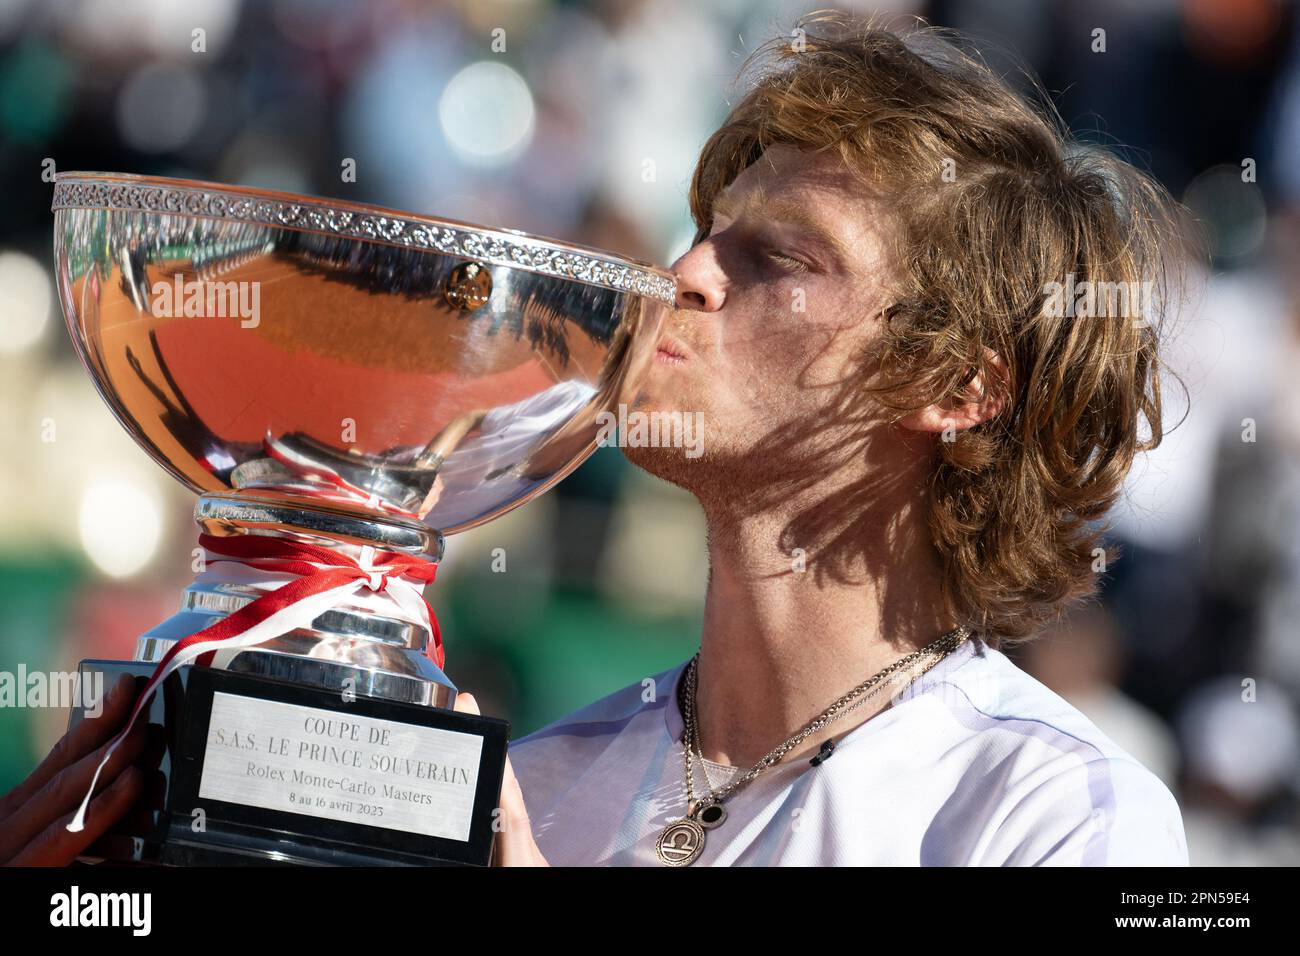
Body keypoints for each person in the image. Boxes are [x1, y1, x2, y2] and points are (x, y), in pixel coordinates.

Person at [1, 16, 1191, 867]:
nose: (679, 277)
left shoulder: (1056, 816)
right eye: (702, 233)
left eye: (774, 256)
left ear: (958, 384)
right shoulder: (524, 785)